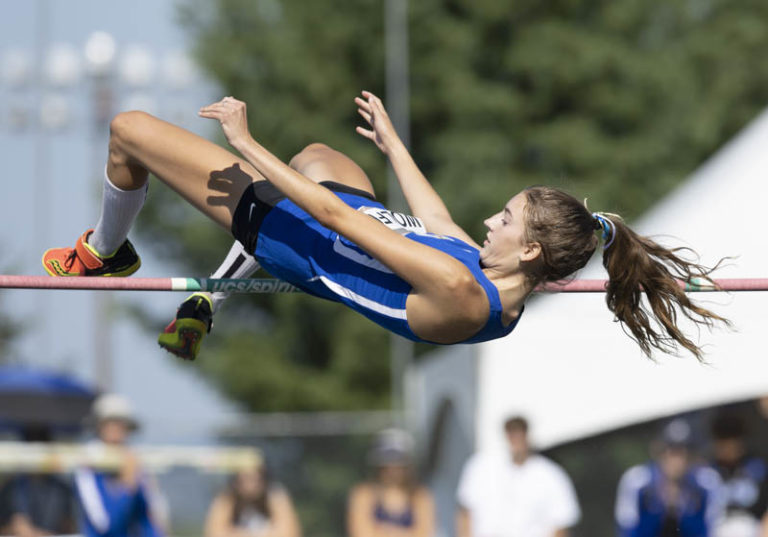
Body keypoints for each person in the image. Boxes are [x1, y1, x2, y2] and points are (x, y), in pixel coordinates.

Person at [42, 91, 727, 360]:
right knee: (319, 153)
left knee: (129, 131)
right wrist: (394, 143)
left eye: (506, 217)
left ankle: (105, 252)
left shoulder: (461, 292)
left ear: (533, 249)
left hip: (291, 234)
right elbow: (433, 220)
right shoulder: (497, 285)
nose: (491, 218)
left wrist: (246, 144)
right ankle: (213, 294)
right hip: (353, 217)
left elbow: (330, 212)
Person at [456, 416, 580, 537]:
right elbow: (465, 513)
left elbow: (560, 525)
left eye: (519, 433)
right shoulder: (480, 466)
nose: (515, 439)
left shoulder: (550, 475)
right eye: (512, 433)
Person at [74, 393, 167, 537]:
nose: (116, 430)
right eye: (110, 423)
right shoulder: (88, 465)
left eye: (121, 424)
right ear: (99, 426)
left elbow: (151, 520)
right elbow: (105, 526)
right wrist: (127, 486)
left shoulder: (137, 464)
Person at [615, 418, 724, 537]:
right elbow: (627, 530)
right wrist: (659, 506)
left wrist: (682, 508)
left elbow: (711, 530)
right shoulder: (637, 480)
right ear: (658, 451)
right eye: (671, 452)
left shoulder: (706, 482)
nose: (676, 460)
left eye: (682, 452)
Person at [347, 428, 435, 537]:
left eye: (397, 461)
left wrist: (384, 530)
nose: (392, 467)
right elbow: (360, 532)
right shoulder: (364, 493)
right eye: (387, 462)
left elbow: (424, 533)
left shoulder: (420, 496)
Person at [708, 413, 768, 537]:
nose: (729, 446)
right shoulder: (706, 472)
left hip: (753, 529)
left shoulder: (758, 468)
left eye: (734, 439)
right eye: (723, 440)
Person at [204, 460, 301, 537]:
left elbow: (291, 533)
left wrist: (236, 533)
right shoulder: (227, 497)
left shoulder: (274, 495)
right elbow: (214, 533)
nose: (250, 484)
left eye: (255, 478)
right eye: (245, 477)